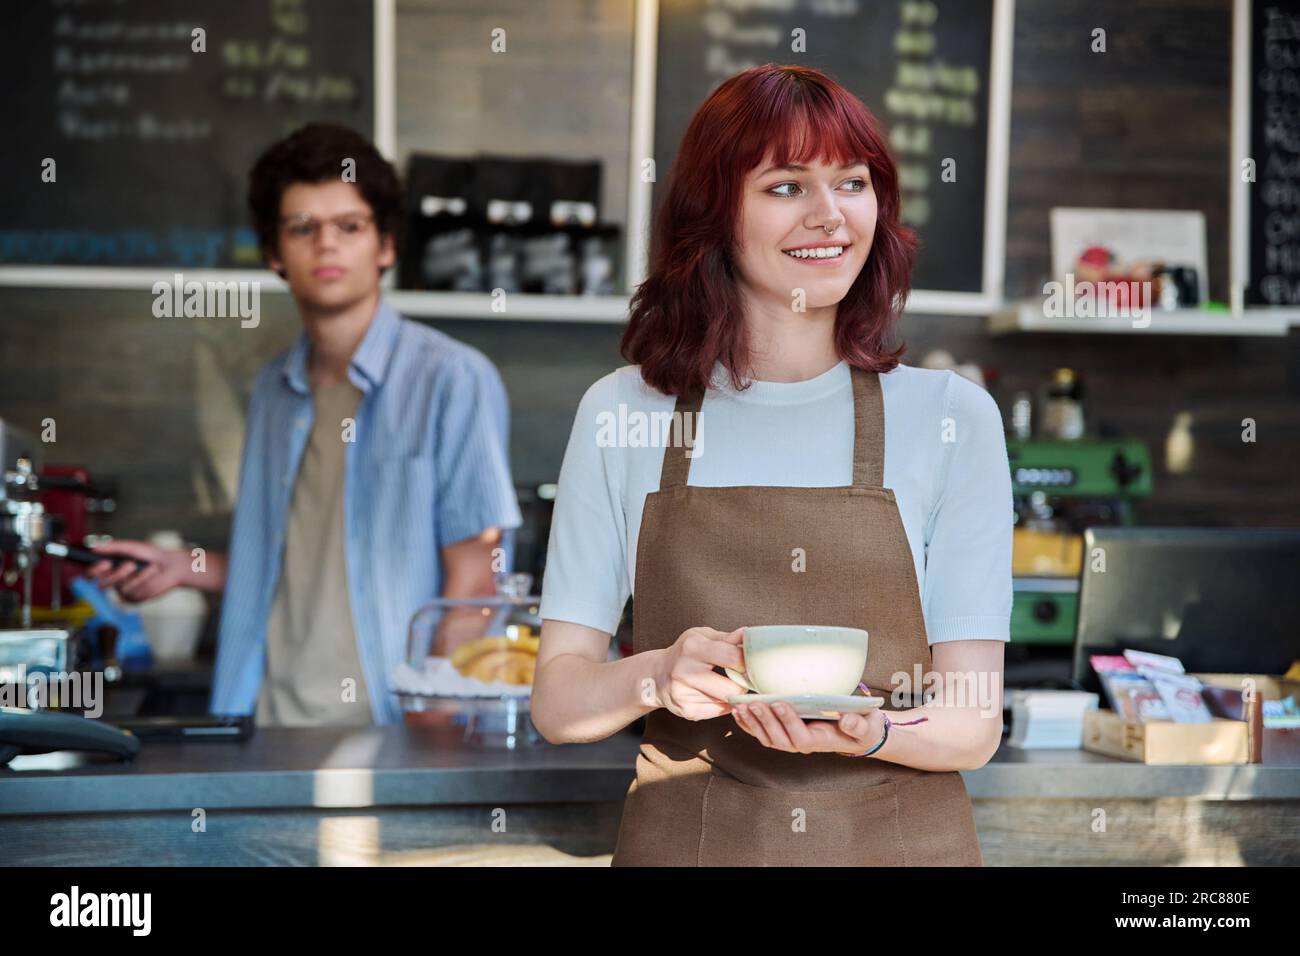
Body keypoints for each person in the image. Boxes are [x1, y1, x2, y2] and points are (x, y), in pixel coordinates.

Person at [530, 65, 1012, 866]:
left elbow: (972, 717)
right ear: (714, 214)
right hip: (688, 840)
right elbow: (558, 698)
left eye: (852, 182)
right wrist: (657, 674)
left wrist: (874, 730)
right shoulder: (623, 412)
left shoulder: (952, 417)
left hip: (897, 847)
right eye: (787, 185)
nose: (830, 215)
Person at [87, 123, 521, 727]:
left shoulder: (452, 379)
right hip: (265, 721)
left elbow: (475, 582)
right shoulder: (273, 391)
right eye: (302, 228)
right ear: (274, 253)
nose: (326, 245)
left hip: (390, 728)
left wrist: (436, 734)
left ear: (386, 245)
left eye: (349, 226)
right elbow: (291, 559)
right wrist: (183, 567)